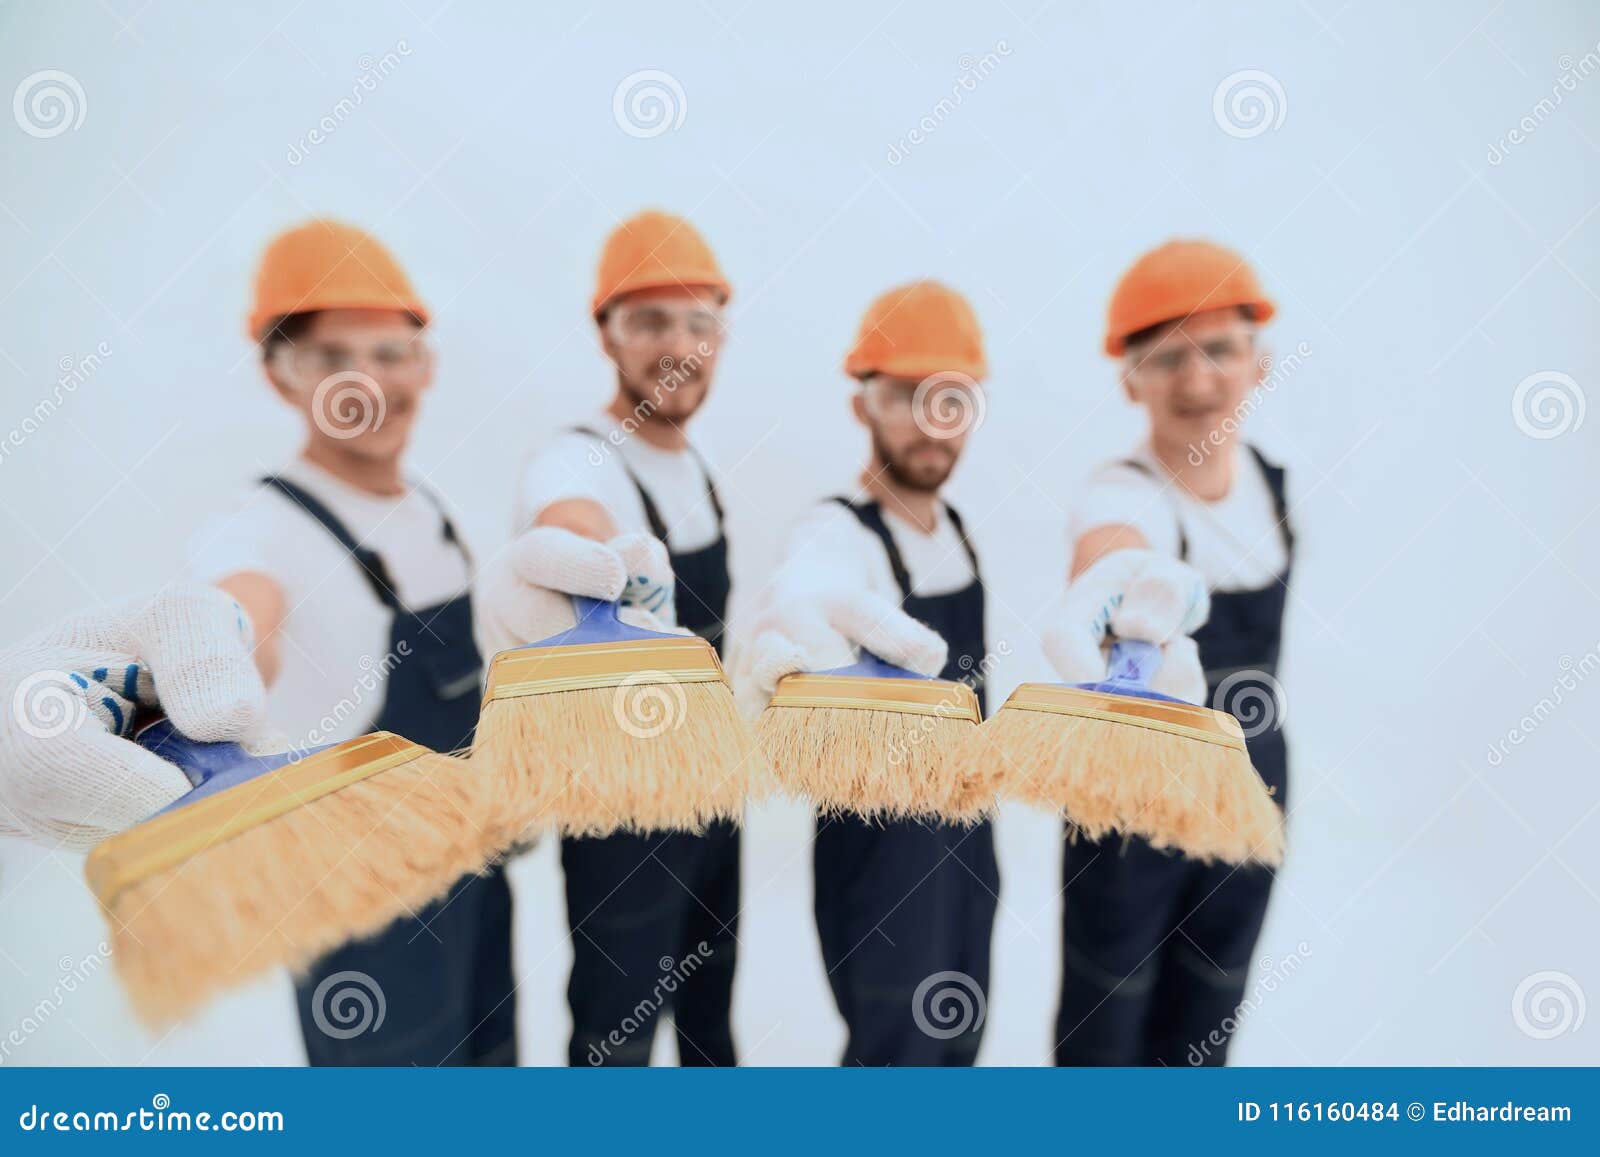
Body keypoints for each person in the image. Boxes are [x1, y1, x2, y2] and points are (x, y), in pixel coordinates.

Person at [185, 219, 516, 1065]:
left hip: (475, 879)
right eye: (332, 358)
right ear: (278, 375)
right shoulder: (260, 529)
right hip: (360, 911)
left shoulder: (432, 510)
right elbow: (236, 615)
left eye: (391, 352)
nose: (366, 381)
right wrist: (207, 657)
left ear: (426, 363)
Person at [503, 209, 741, 1066]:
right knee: (617, 1038)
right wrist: (591, 558)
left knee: (714, 1024)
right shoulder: (579, 456)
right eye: (648, 321)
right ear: (605, 332)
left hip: (714, 796)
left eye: (698, 321)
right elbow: (569, 507)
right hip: (622, 812)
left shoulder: (693, 466)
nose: (677, 344)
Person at [741, 280, 999, 1065]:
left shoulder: (954, 530)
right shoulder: (838, 531)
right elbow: (810, 577)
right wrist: (793, 606)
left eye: (948, 400)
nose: (930, 424)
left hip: (969, 841)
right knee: (894, 1059)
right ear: (863, 405)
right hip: (885, 858)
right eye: (905, 396)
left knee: (959, 1046)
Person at [1049, 239, 1291, 1066]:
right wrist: (1116, 589)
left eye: (1219, 350)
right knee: (1105, 1024)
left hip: (1253, 791)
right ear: (1131, 378)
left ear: (1258, 361)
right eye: (1166, 358)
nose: (1196, 381)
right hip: (1132, 803)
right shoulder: (1121, 491)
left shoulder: (1270, 481)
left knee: (1206, 1021)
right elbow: (1112, 549)